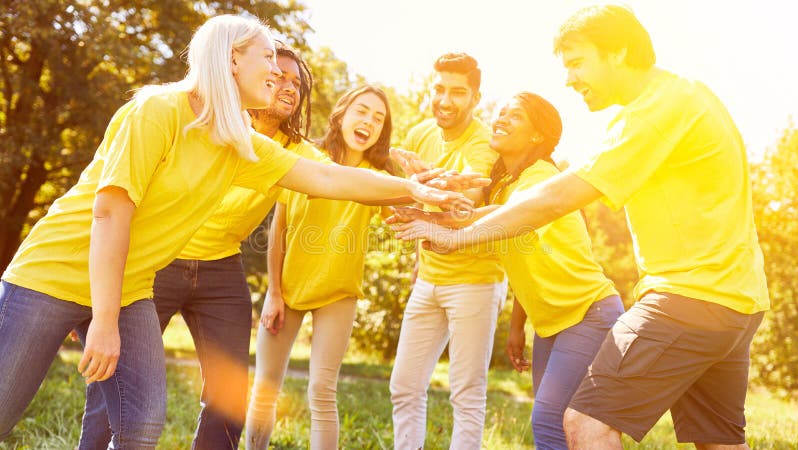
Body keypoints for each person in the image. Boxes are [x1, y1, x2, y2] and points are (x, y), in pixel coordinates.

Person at [0, 14, 471, 448]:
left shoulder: (238, 143)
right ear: (230, 59)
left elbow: (329, 178)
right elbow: (109, 213)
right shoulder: (159, 110)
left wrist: (418, 192)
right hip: (52, 276)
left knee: (142, 421)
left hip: (128, 287)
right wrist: (103, 322)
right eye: (268, 57)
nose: (279, 71)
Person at [391, 5, 769, 449]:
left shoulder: (654, 111)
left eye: (576, 63)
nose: (569, 78)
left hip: (689, 297)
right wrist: (452, 218)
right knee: (719, 441)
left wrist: (457, 233)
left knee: (584, 423)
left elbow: (556, 198)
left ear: (619, 52)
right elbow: (523, 208)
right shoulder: (689, 95)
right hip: (739, 300)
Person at [77, 41, 314, 450]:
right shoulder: (213, 124)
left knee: (229, 392)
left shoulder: (295, 153)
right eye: (279, 75)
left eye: (298, 83)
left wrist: (414, 186)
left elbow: (341, 177)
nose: (289, 86)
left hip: (222, 270)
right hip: (160, 261)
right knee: (114, 380)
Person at [389, 92, 624, 449]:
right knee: (557, 425)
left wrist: (443, 231)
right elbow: (523, 255)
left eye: (513, 116)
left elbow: (503, 221)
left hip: (588, 313)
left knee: (548, 421)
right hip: (551, 324)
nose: (499, 120)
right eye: (499, 113)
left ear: (537, 135)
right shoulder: (510, 187)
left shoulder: (542, 177)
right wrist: (425, 215)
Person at [246, 84, 400, 450]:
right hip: (289, 289)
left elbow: (402, 216)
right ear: (342, 113)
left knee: (322, 390)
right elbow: (278, 230)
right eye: (362, 111)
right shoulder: (304, 157)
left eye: (378, 119)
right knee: (266, 388)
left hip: (338, 293)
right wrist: (274, 293)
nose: (368, 122)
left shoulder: (377, 175)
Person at [388, 52, 507, 450]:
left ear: (475, 97)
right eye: (439, 88)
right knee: (404, 385)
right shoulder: (422, 133)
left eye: (458, 92)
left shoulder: (484, 142)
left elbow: (467, 208)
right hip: (430, 278)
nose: (445, 100)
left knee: (466, 394)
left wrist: (426, 180)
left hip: (474, 281)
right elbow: (409, 199)